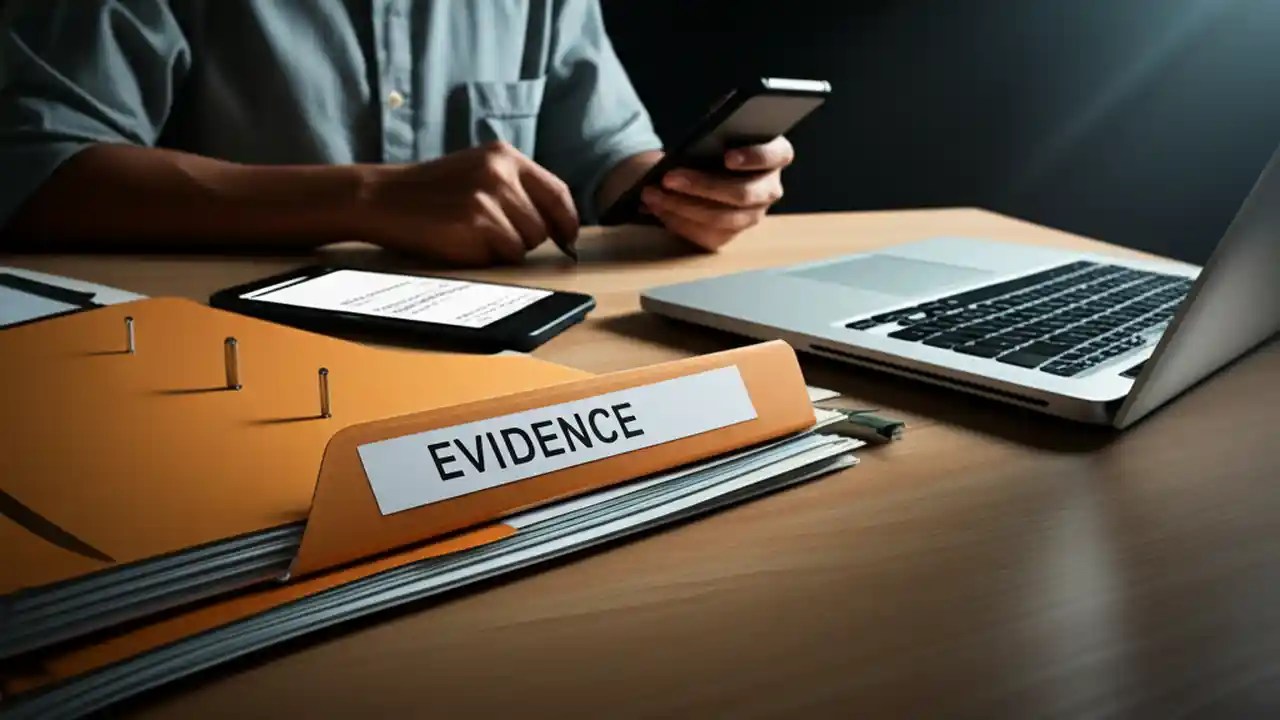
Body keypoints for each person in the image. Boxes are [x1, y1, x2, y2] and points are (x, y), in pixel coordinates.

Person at [0, 1, 794, 266]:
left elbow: (608, 159)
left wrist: (690, 192)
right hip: (225, 366)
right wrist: (369, 196)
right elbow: (35, 174)